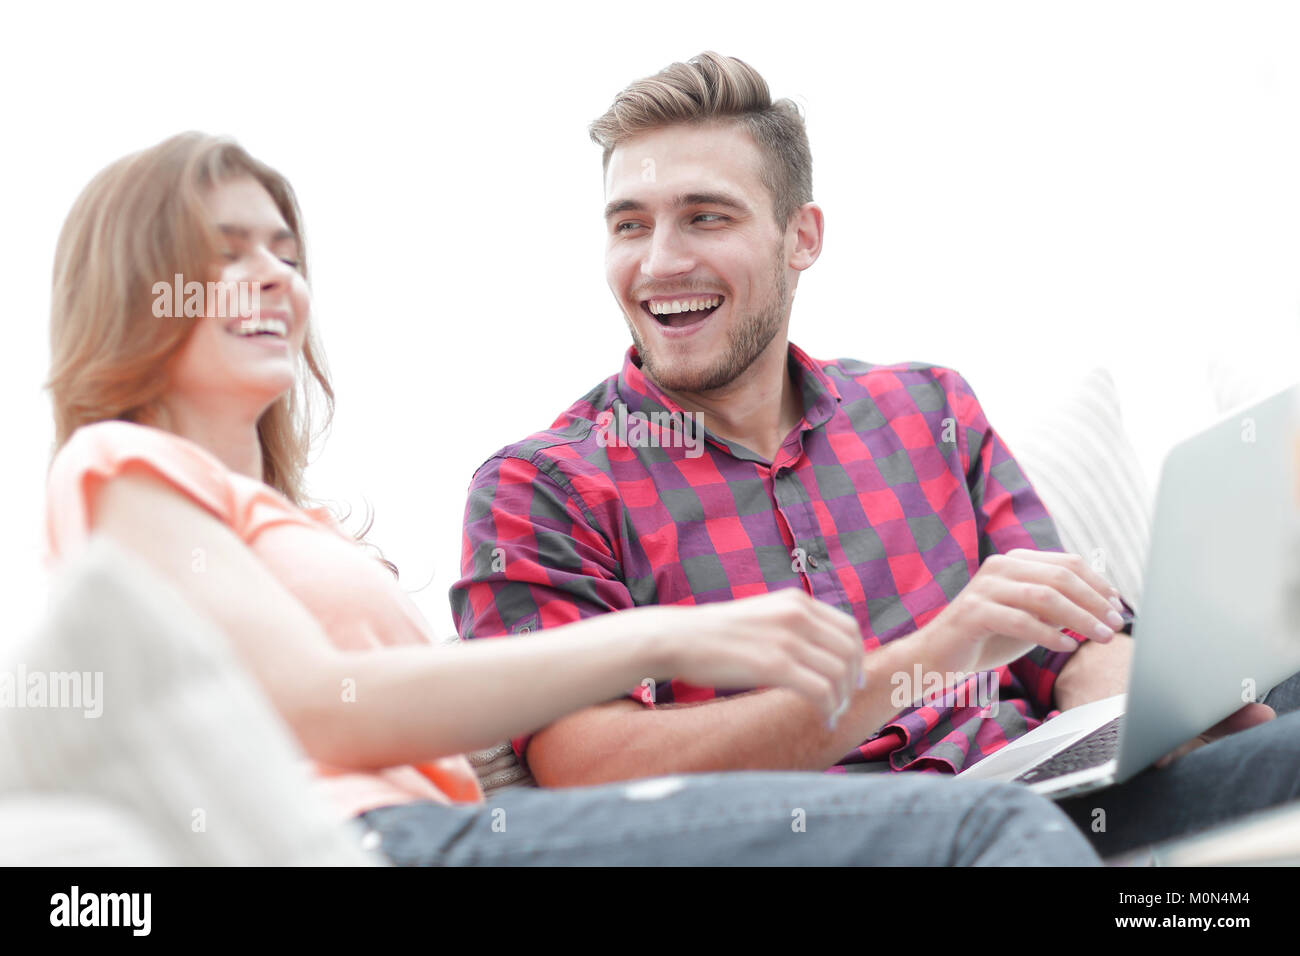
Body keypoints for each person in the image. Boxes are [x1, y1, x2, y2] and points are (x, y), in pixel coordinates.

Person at [40, 131, 1100, 866]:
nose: (275, 276)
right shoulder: (118, 463)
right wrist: (662, 638)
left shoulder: (291, 525)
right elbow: (322, 707)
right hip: (371, 844)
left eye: (284, 249)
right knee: (981, 833)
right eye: (225, 254)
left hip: (456, 838)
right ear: (136, 289)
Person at [449, 51, 1300, 858]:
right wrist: (935, 653)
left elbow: (1071, 636)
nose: (660, 262)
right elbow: (588, 772)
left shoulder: (929, 407)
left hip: (1055, 797)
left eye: (706, 216)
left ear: (801, 237)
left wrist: (1139, 714)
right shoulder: (540, 489)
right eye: (629, 225)